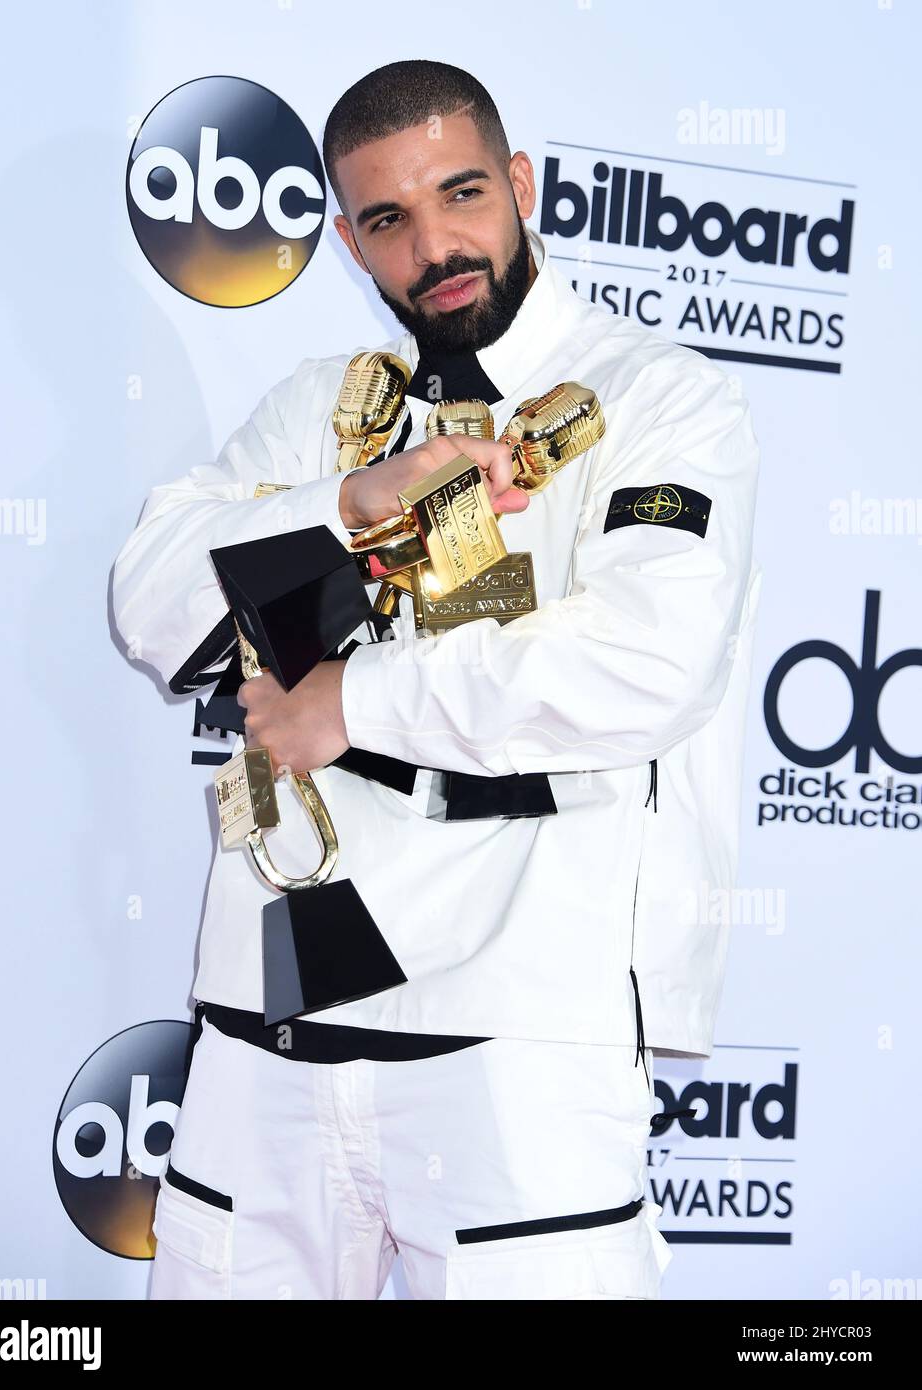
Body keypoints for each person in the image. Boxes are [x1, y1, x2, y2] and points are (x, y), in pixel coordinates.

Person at [112, 59, 760, 1300]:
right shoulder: (321, 412)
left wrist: (347, 705)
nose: (436, 245)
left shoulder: (662, 398)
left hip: (515, 1039)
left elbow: (648, 658)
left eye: (461, 194)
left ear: (518, 184)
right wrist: (348, 504)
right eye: (388, 220)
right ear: (351, 244)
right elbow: (150, 601)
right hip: (272, 1024)